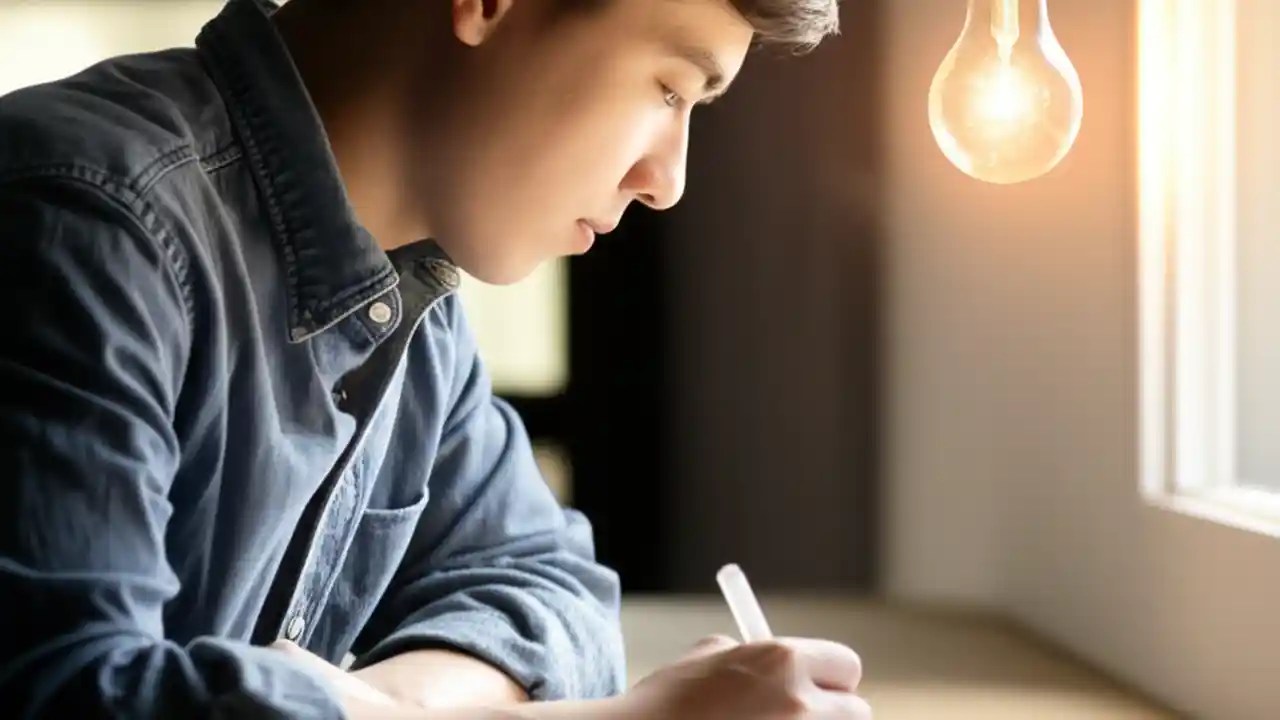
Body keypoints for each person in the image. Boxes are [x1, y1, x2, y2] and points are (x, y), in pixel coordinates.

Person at [0, 0, 871, 717]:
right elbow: (77, 693)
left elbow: (550, 587)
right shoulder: (86, 222)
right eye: (672, 90)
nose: (667, 181)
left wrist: (387, 708)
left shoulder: (409, 299)